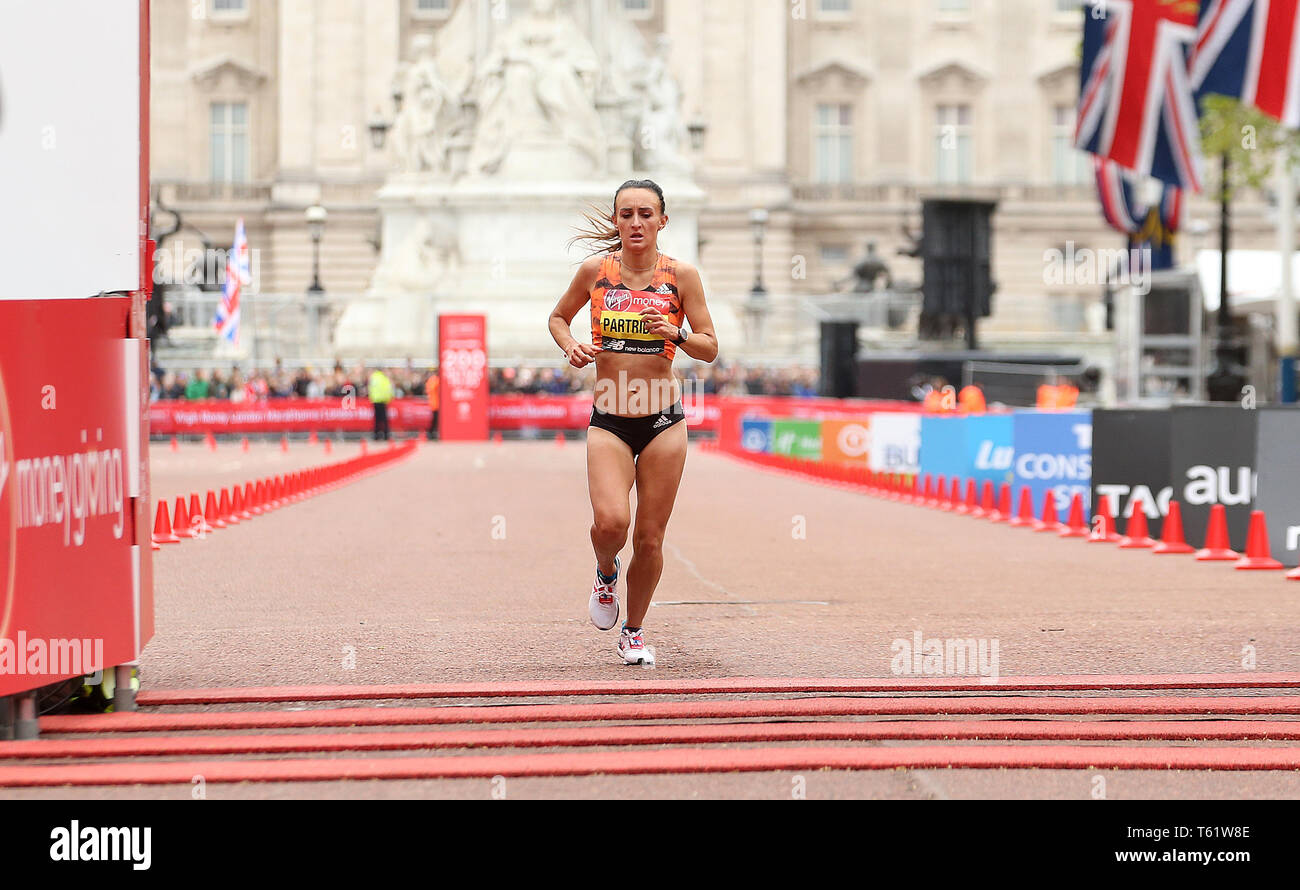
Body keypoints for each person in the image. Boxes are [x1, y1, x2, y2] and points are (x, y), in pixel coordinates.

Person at [548, 179, 719, 665]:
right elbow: (558, 318)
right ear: (616, 221)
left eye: (646, 214)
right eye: (627, 214)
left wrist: (679, 334)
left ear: (662, 221)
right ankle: (606, 575)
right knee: (611, 523)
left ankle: (635, 630)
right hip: (611, 418)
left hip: (664, 420)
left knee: (649, 538)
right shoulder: (594, 272)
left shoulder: (681, 277)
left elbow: (710, 347)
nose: (636, 222)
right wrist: (571, 346)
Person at [368, 366, 394, 440]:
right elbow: (388, 389)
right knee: (384, 419)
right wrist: (389, 399)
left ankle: (376, 435)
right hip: (383, 401)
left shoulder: (373, 377)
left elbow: (370, 388)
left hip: (375, 400)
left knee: (377, 419)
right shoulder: (384, 378)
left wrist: (371, 398)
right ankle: (386, 435)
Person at [425, 366, 440, 440]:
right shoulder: (433, 380)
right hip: (435, 403)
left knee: (435, 420)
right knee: (435, 420)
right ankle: (431, 433)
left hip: (435, 403)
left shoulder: (433, 380)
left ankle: (431, 433)